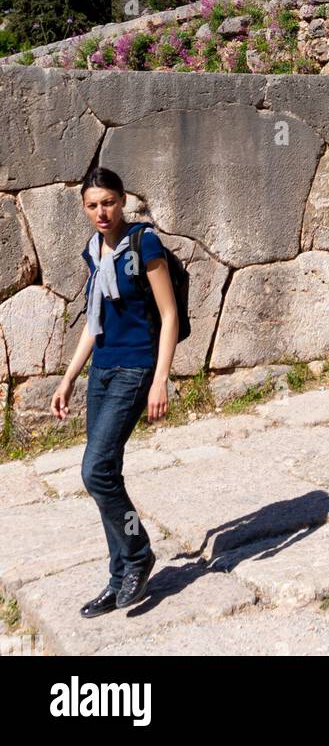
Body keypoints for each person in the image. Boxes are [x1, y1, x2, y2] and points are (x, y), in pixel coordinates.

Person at [51, 167, 178, 618]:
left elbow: (168, 315)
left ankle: (137, 552)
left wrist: (160, 379)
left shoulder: (144, 244)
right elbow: (93, 323)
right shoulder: (93, 250)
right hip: (102, 371)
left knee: (96, 471)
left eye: (108, 202)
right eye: (92, 205)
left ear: (122, 200)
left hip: (135, 367)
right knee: (108, 474)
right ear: (84, 209)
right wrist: (68, 378)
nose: (101, 212)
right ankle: (119, 571)